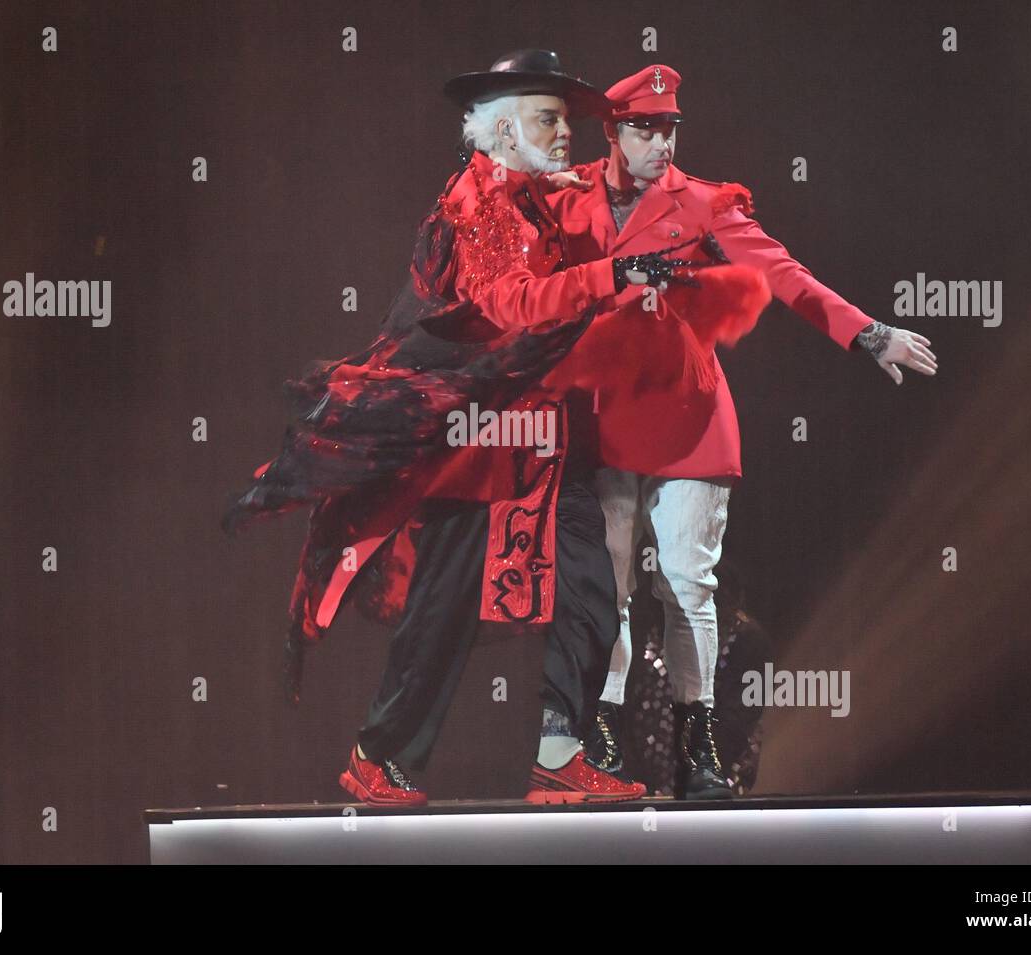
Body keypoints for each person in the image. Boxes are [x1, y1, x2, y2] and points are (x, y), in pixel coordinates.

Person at [224, 51, 696, 806]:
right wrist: (614, 276)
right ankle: (380, 757)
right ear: (503, 129)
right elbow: (509, 304)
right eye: (549, 119)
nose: (566, 132)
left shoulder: (544, 197)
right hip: (476, 438)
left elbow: (621, 193)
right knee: (443, 606)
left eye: (567, 120)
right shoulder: (473, 203)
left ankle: (557, 751)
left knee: (589, 592)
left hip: (543, 439)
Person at [546, 64, 938, 799]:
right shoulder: (567, 199)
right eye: (646, 129)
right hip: (601, 416)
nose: (662, 143)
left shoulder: (701, 203)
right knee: (608, 582)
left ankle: (700, 749)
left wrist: (868, 332)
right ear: (614, 133)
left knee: (687, 585)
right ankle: (596, 736)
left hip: (689, 418)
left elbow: (782, 272)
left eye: (670, 129)